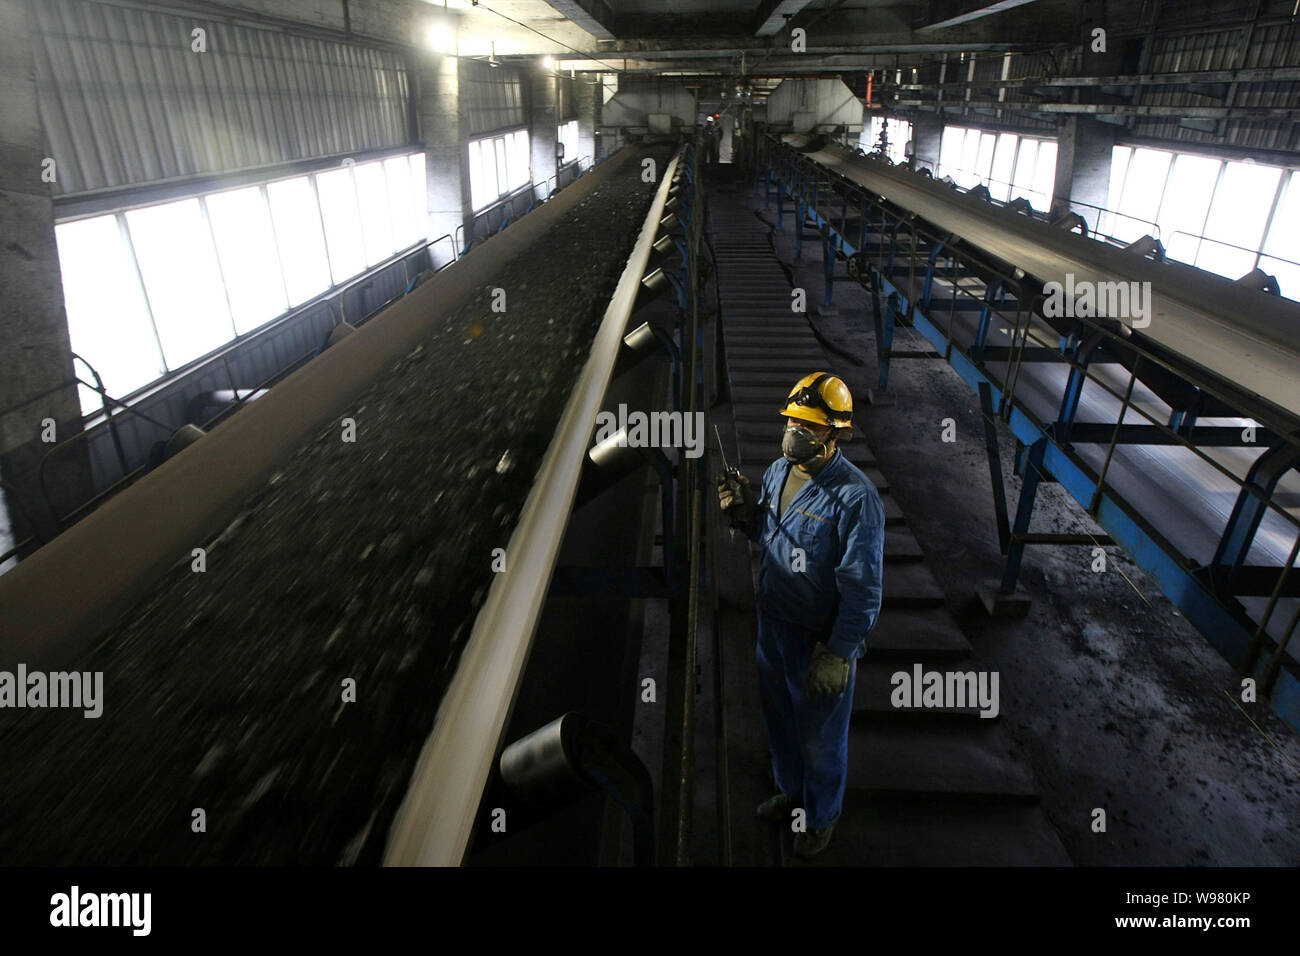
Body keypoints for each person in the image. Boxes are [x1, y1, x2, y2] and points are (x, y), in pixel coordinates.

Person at [716, 372, 885, 858]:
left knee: (821, 738)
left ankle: (820, 817)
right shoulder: (776, 473)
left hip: (820, 640)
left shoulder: (856, 501)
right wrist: (746, 514)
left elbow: (863, 589)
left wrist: (839, 653)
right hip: (774, 628)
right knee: (782, 722)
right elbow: (770, 538)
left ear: (837, 433)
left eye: (809, 425)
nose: (795, 432)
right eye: (792, 421)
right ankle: (791, 792)